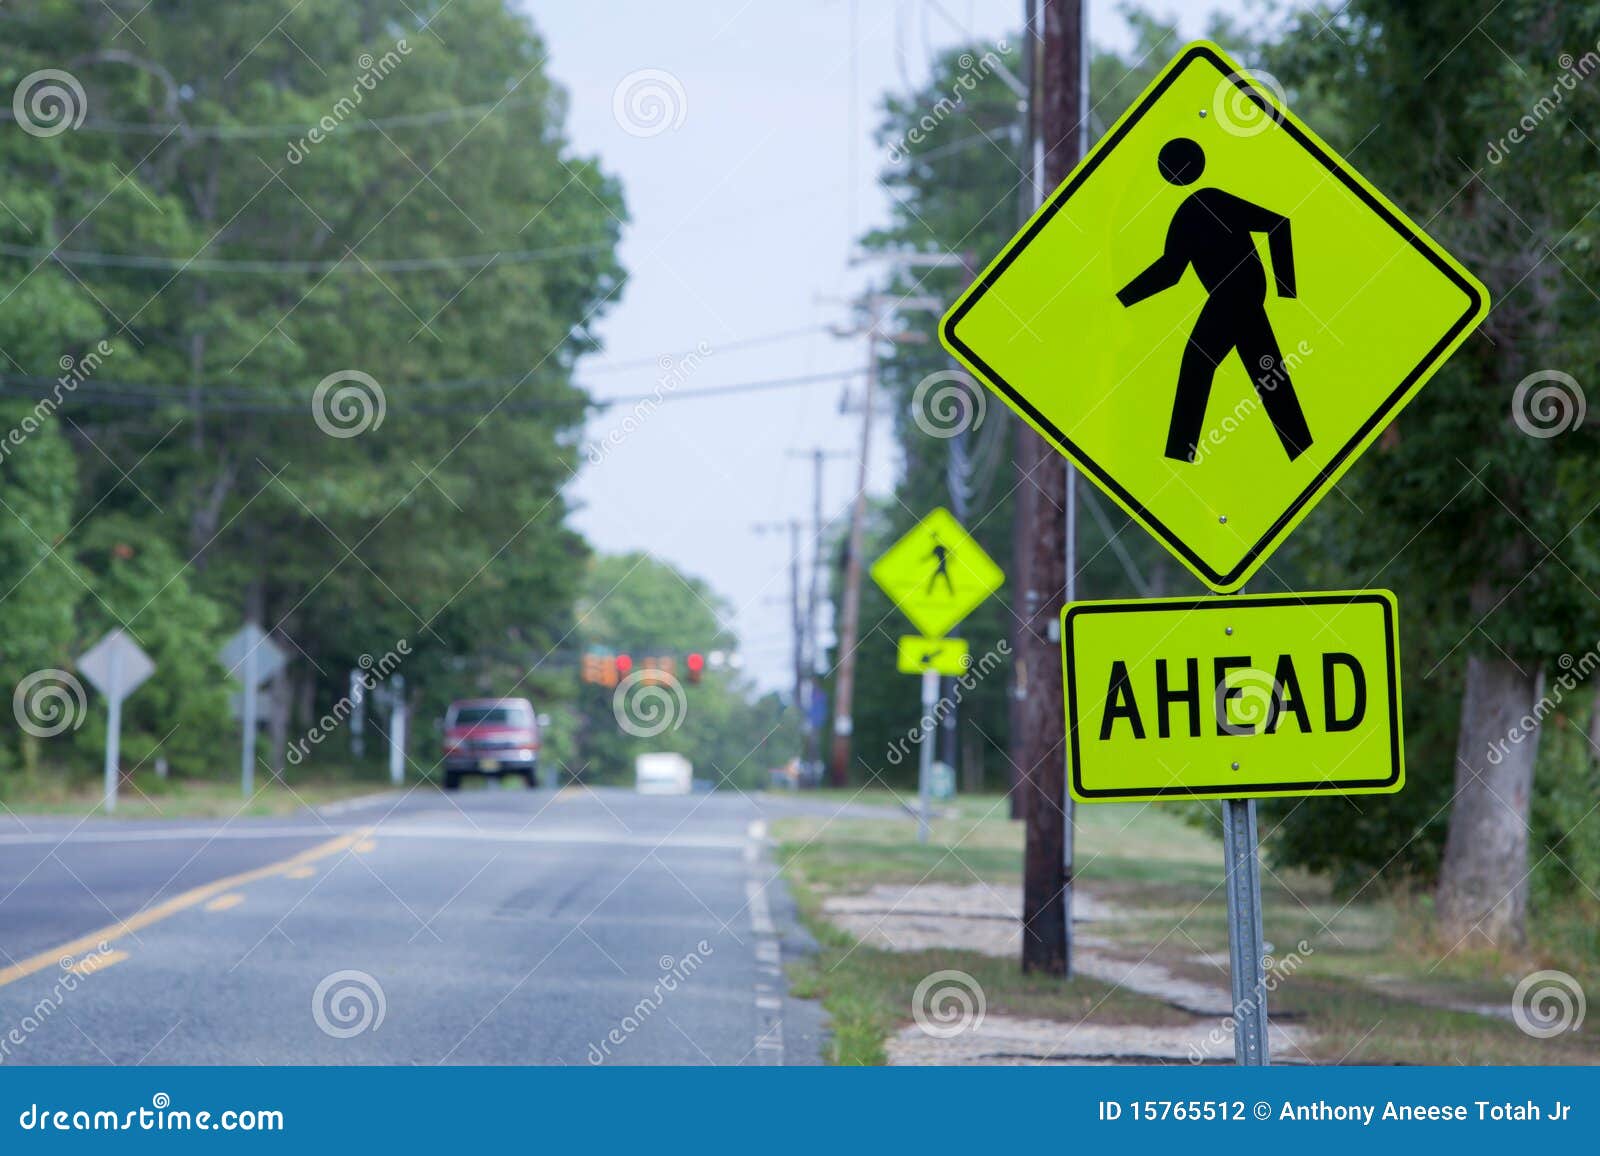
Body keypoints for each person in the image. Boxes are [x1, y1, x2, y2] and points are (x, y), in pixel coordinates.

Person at [1117, 137, 1313, 463]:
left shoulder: (1208, 201)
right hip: (1235, 293)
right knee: (1264, 369)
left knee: (1200, 361)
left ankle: (1180, 456)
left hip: (1238, 291)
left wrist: (1287, 293)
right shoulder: (1189, 211)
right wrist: (1121, 300)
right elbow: (1170, 272)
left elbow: (1277, 224)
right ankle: (1300, 448)